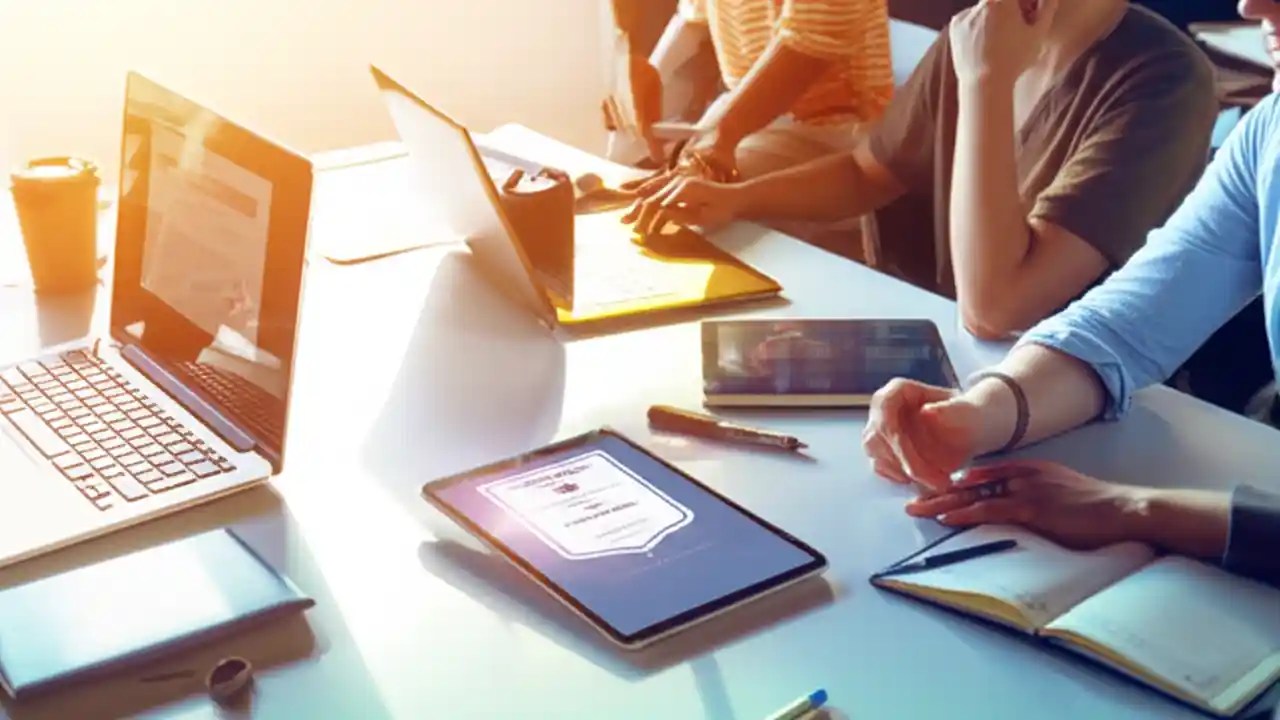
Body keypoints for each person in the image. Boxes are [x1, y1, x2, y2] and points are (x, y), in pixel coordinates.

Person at [859, 0, 1280, 591]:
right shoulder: (1269, 133)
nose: (1250, 6)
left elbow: (995, 303)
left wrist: (1137, 509)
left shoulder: (1163, 77)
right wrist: (978, 415)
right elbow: (1122, 329)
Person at [624, 0, 1218, 338]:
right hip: (927, 359)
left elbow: (998, 309)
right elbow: (868, 173)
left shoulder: (1163, 83)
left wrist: (987, 80)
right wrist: (738, 199)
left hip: (1059, 394)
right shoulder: (978, 31)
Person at [604, 0, 894, 181]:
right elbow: (695, 13)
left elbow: (812, 43)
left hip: (837, 129)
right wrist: (650, 75)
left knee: (697, 200)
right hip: (746, 107)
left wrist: (726, 132)